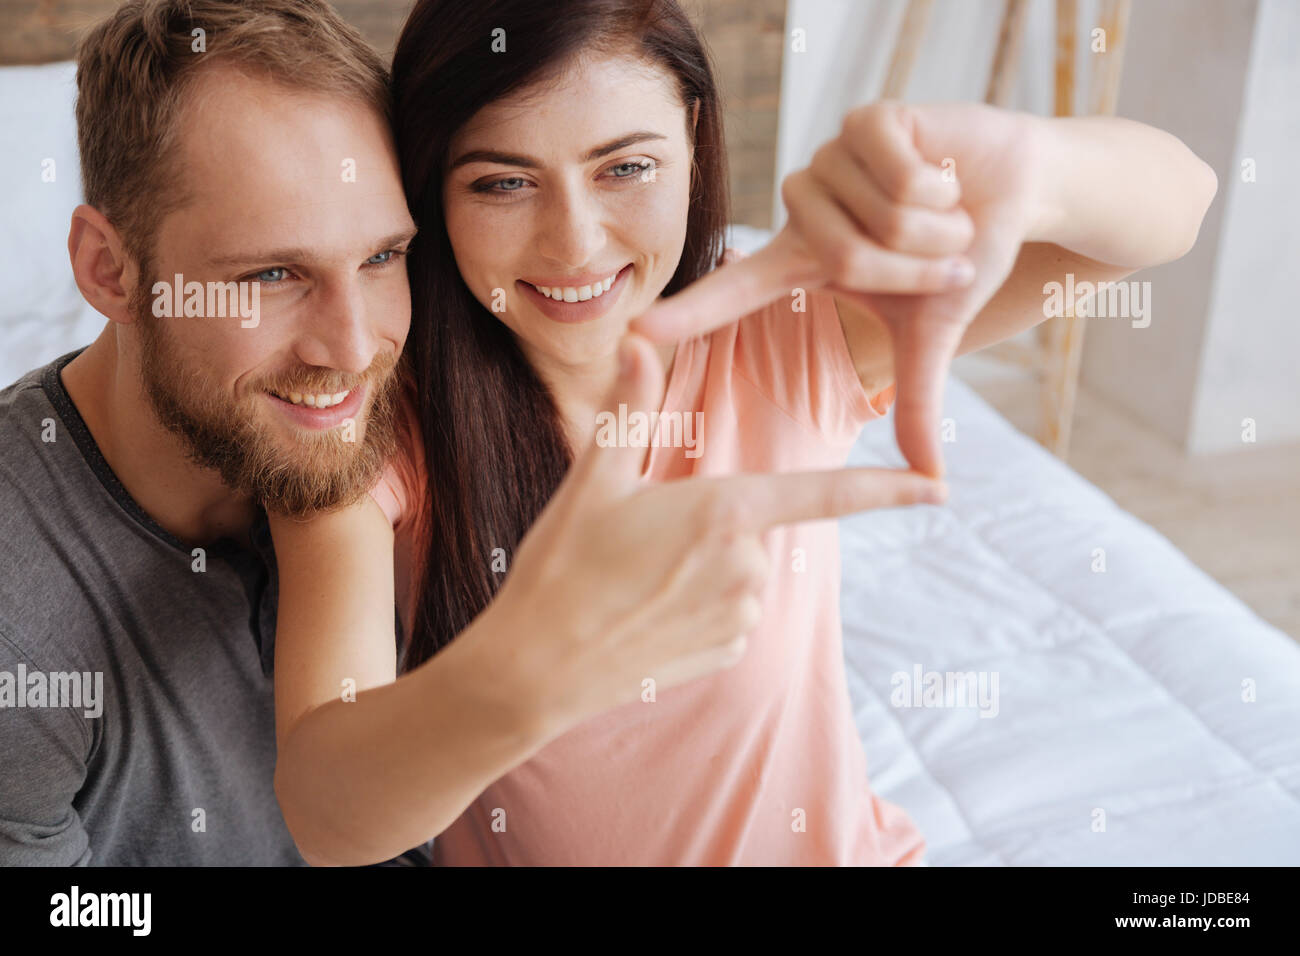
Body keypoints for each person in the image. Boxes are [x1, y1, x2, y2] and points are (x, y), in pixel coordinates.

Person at [269, 0, 1217, 865]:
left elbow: (1172, 208)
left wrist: (1034, 167)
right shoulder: (370, 423)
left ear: (693, 135)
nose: (575, 244)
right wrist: (528, 669)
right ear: (433, 193)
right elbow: (325, 810)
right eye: (503, 184)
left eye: (626, 168)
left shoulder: (778, 329)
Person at [0, 0, 936, 866]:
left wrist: (1041, 170)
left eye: (381, 256)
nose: (357, 348)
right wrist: (528, 668)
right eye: (271, 275)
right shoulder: (21, 620)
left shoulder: (361, 435)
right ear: (108, 270)